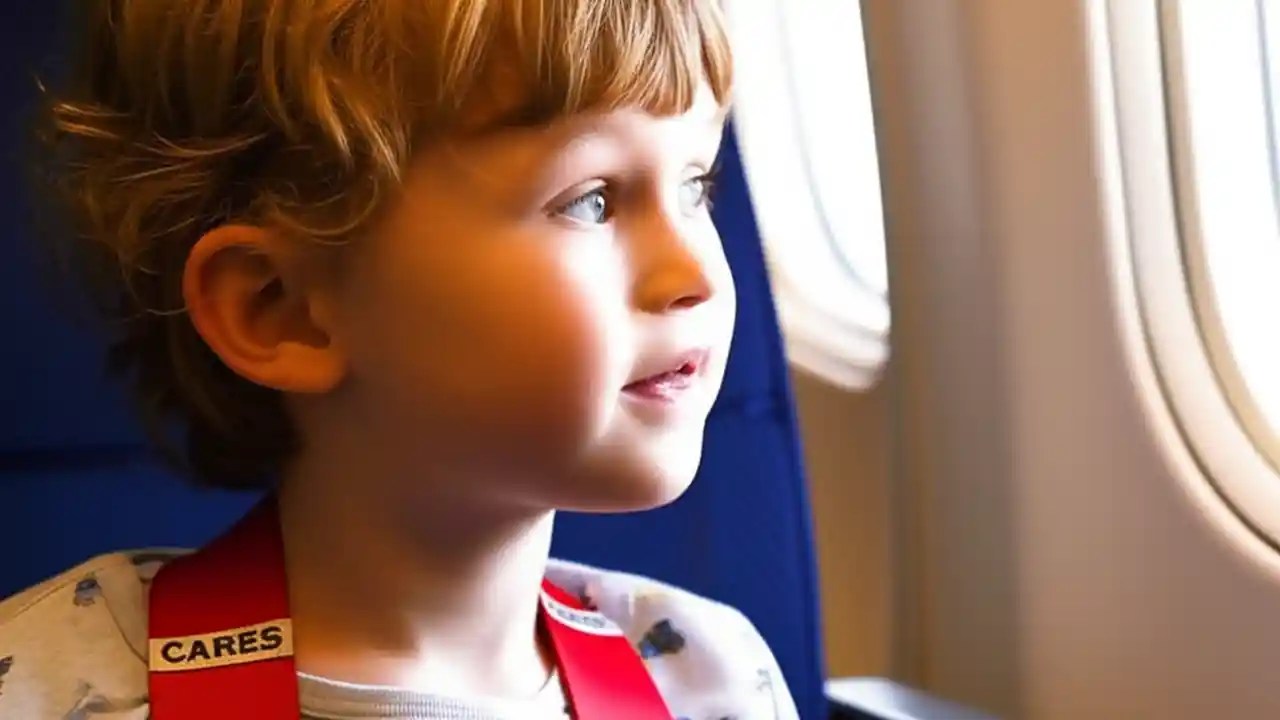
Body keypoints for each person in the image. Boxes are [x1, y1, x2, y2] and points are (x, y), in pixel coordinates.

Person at [0, 1, 799, 718]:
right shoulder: (49, 690)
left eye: (696, 185)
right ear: (279, 309)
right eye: (590, 200)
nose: (696, 275)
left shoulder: (707, 677)